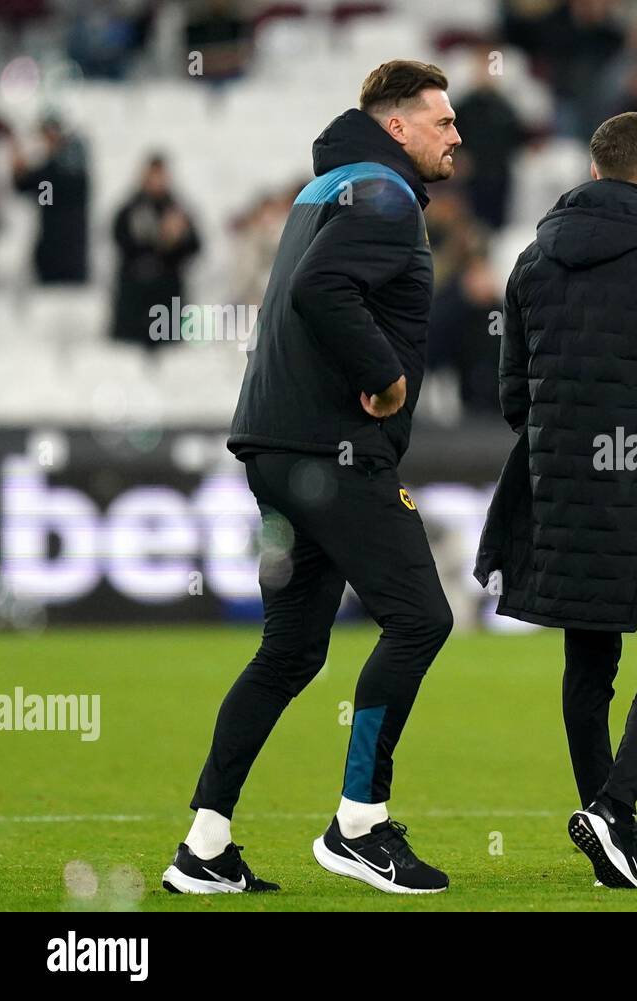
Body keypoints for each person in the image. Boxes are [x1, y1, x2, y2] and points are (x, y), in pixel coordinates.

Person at [163, 60, 462, 896]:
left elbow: (309, 285)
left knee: (289, 650)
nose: (456, 134)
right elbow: (322, 290)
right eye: (442, 120)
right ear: (397, 125)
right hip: (331, 453)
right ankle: (359, 823)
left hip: (277, 446)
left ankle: (204, 843)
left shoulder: (329, 187)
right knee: (420, 619)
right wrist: (387, 374)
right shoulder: (387, 197)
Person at [475, 111, 637, 889]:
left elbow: (513, 395)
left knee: (589, 663)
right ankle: (615, 811)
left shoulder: (531, 258)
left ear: (593, 174)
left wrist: (569, 447)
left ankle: (602, 822)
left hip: (566, 490)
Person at [110, 154, 200, 350]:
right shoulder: (129, 209)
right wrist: (159, 240)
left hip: (167, 300)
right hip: (134, 301)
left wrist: (177, 239)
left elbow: (195, 247)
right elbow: (121, 242)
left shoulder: (178, 209)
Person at [11, 115, 90, 284]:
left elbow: (49, 189)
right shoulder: (50, 170)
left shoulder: (70, 168)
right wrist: (20, 171)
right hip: (50, 253)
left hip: (68, 256)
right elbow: (33, 190)